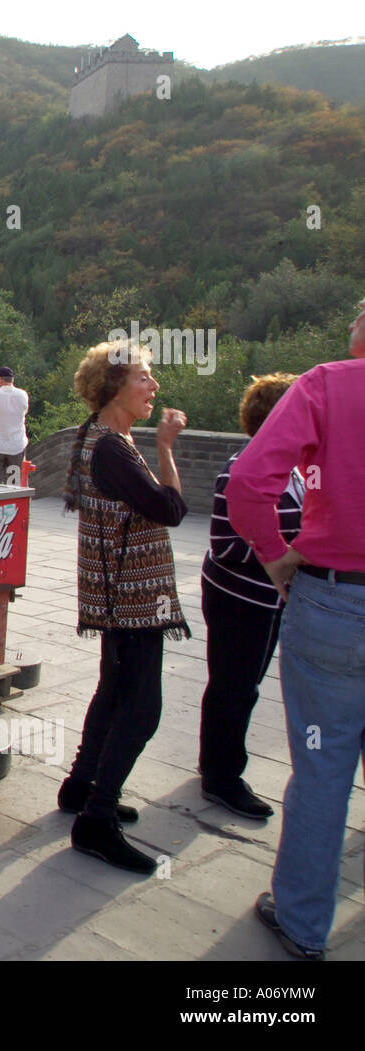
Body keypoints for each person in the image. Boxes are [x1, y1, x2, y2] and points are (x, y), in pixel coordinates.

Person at [226, 297, 365, 961]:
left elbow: (251, 478)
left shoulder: (329, 385)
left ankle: (304, 921)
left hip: (336, 601)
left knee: (322, 769)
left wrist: (276, 553)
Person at [59, 340, 189, 874]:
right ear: (115, 387)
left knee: (113, 692)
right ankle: (96, 820)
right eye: (144, 377)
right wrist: (165, 448)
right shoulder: (115, 448)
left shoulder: (102, 436)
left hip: (113, 591)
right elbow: (170, 508)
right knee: (142, 708)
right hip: (132, 598)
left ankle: (82, 785)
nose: (153, 387)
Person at [198, 374, 303, 820]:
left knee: (242, 685)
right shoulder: (243, 468)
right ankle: (221, 777)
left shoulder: (290, 468)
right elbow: (227, 544)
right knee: (234, 686)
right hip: (241, 600)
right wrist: (296, 550)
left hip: (265, 600)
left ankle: (216, 763)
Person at [0, 366, 29, 484]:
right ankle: (12, 501)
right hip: (17, 445)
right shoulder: (23, 395)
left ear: (0, 379)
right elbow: (24, 413)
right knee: (14, 484)